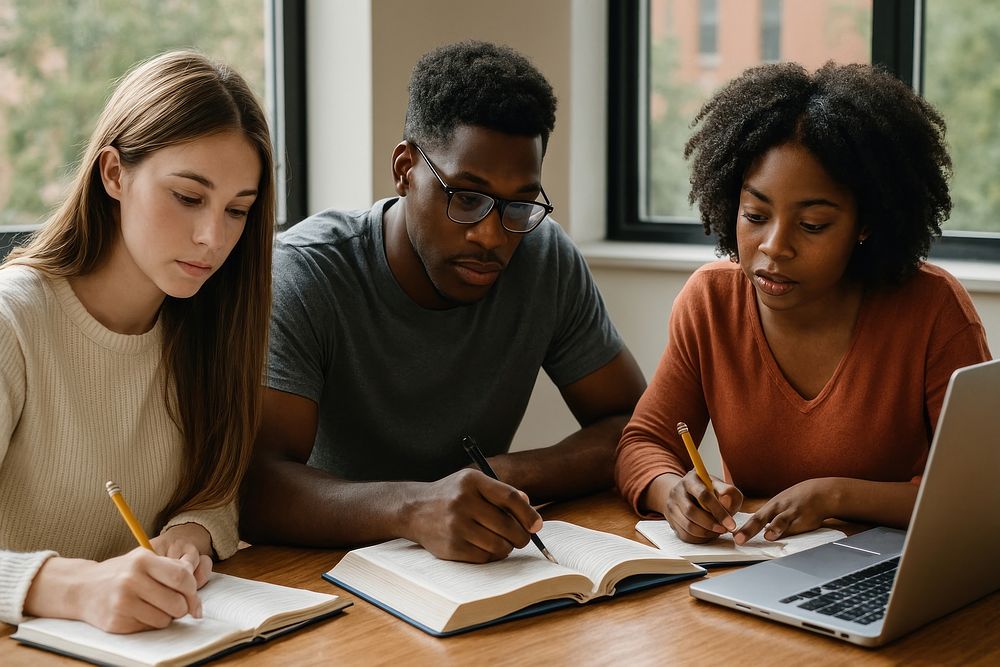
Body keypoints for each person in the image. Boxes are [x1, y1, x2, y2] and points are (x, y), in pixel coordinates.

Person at [240, 41, 646, 563]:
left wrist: (503, 473)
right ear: (404, 169)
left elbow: (637, 426)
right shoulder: (306, 273)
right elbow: (257, 488)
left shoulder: (544, 260)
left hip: (475, 574)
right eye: (466, 197)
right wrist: (414, 508)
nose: (492, 236)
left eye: (519, 205)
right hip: (324, 573)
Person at [615, 62, 991, 545]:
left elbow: (976, 491)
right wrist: (671, 492)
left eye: (813, 225)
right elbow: (643, 442)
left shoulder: (932, 309)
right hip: (758, 571)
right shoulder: (711, 302)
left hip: (889, 574)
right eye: (754, 215)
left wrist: (834, 496)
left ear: (866, 225)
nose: (775, 246)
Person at [0, 50, 275, 632]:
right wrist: (71, 587)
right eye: (188, 197)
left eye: (237, 211)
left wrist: (192, 533)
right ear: (113, 174)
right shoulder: (13, 321)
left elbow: (215, 489)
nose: (212, 238)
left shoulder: (208, 322)